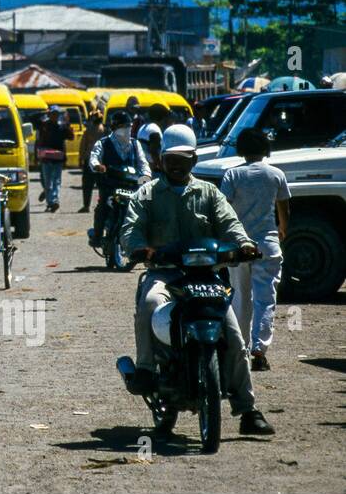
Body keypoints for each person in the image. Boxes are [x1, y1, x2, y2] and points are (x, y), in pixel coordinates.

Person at [121, 125, 275, 436]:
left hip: (206, 276)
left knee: (233, 334)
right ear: (160, 160)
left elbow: (230, 223)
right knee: (150, 303)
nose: (176, 165)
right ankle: (147, 369)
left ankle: (247, 409)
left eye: (183, 159)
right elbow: (131, 229)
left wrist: (243, 245)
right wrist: (139, 247)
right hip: (164, 274)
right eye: (170, 159)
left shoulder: (209, 193)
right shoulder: (146, 194)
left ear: (193, 160)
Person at [221, 128, 291, 372]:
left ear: (241, 149)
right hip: (267, 243)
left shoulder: (232, 175)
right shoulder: (276, 174)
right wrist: (282, 230)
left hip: (239, 245)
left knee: (240, 298)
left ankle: (239, 348)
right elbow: (284, 209)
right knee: (265, 299)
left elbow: (224, 209)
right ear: (265, 149)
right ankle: (259, 351)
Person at [87, 110, 151, 253]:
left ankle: (148, 239)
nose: (126, 129)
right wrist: (97, 166)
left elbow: (143, 164)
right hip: (110, 185)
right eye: (122, 125)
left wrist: (145, 177)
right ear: (114, 127)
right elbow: (94, 158)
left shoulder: (135, 144)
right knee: (102, 207)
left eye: (128, 125)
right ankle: (97, 236)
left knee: (148, 205)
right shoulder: (103, 143)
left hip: (132, 185)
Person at [36, 105, 74, 213]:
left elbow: (71, 137)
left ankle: (54, 200)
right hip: (46, 159)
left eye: (56, 114)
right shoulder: (44, 125)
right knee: (48, 182)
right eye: (53, 114)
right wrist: (44, 112)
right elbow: (32, 118)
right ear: (49, 114)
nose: (55, 116)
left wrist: (67, 123)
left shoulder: (62, 126)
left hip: (58, 159)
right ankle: (50, 203)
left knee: (56, 181)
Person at [78, 109, 104, 213]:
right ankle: (102, 204)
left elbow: (83, 145)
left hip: (89, 160)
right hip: (101, 161)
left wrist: (81, 158)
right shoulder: (105, 131)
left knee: (87, 185)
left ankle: (86, 205)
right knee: (102, 185)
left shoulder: (88, 130)